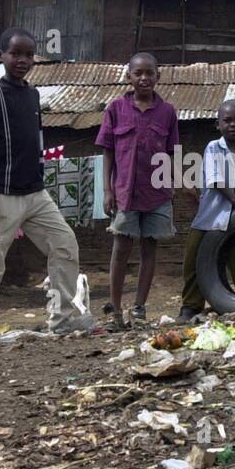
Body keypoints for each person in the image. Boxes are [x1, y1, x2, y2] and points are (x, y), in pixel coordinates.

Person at [0, 27, 88, 341]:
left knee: (65, 244)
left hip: (35, 194)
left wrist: (39, 178)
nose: (22, 60)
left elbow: (37, 142)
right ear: (1, 55)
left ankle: (63, 320)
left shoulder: (32, 94)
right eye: (16, 53)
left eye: (29, 54)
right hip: (1, 196)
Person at [96, 52, 179, 330]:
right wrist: (107, 190)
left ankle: (140, 310)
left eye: (149, 73)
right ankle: (115, 312)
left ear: (158, 76)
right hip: (125, 192)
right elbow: (108, 152)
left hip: (157, 192)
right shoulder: (116, 109)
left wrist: (175, 185)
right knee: (121, 248)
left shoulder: (168, 112)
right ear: (128, 76)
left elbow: (171, 153)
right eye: (138, 73)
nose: (144, 78)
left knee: (149, 250)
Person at [178, 100, 235, 324]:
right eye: (227, 120)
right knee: (195, 261)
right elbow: (216, 179)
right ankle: (190, 308)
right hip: (211, 216)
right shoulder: (213, 147)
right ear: (218, 124)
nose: (233, 125)